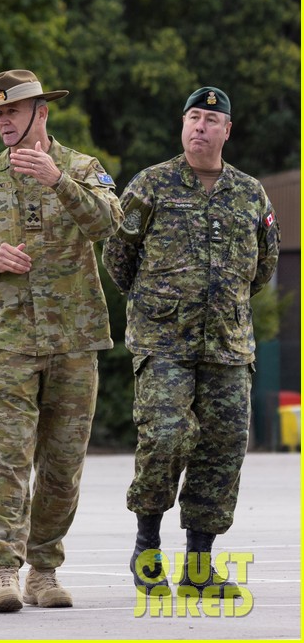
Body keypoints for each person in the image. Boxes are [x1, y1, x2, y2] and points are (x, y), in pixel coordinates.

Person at [0, 69, 122, 613]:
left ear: (40, 114)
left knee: (63, 463)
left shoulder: (82, 168)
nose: (2, 121)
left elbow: (110, 225)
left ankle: (44, 571)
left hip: (75, 338)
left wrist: (58, 181)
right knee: (9, 458)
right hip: (8, 340)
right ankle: (4, 569)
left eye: (12, 112)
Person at [102, 86, 278, 599]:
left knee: (222, 451)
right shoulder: (150, 185)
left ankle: (199, 566)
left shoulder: (251, 193)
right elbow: (120, 257)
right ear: (183, 126)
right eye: (193, 117)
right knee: (166, 435)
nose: (200, 126)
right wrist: (160, 303)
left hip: (228, 346)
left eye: (211, 119)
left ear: (227, 130)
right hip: (164, 343)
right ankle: (148, 546)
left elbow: (265, 265)